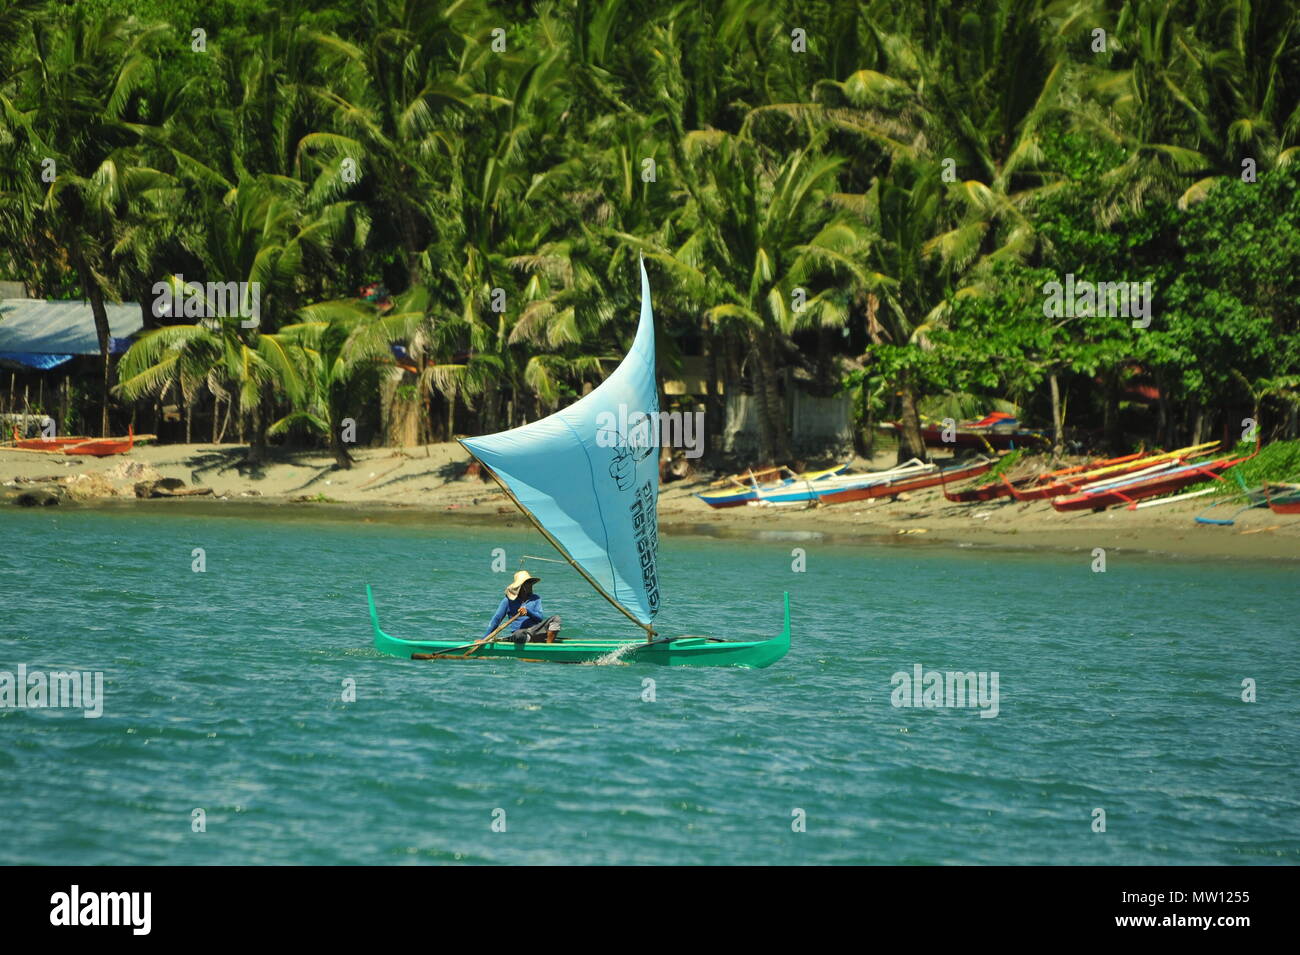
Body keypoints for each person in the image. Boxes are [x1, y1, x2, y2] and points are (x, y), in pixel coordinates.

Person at [484, 571, 562, 643]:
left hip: (535, 630)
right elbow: (496, 619)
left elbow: (540, 618)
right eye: (528, 583)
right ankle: (530, 641)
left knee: (556, 619)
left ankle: (547, 647)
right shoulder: (508, 601)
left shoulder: (535, 598)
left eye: (531, 582)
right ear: (521, 586)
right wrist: (484, 638)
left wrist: (528, 612)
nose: (531, 585)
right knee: (518, 635)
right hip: (520, 633)